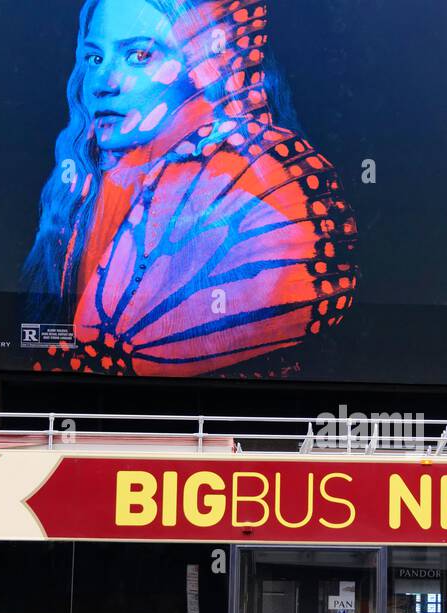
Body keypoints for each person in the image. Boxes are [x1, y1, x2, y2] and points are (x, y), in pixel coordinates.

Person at [21, 0, 357, 377]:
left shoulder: (242, 179)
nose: (103, 83)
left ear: (202, 67)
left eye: (139, 55)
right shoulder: (88, 195)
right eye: (94, 59)